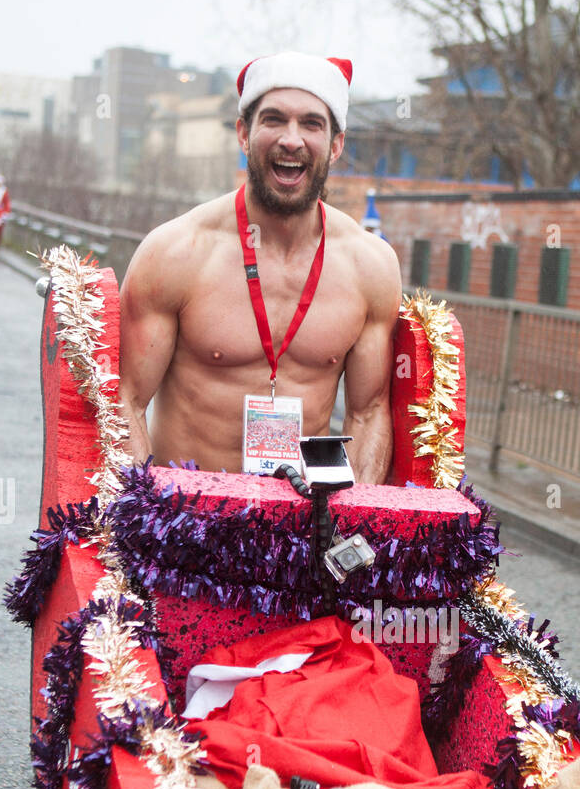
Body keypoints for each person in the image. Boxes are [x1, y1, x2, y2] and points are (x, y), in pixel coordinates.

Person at [118, 52, 402, 483]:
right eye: (273, 120)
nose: (292, 140)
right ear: (243, 134)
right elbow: (126, 400)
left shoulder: (370, 266)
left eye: (312, 123)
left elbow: (369, 413)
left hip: (301, 532)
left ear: (337, 144)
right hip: (185, 525)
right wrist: (143, 521)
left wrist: (346, 529)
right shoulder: (175, 251)